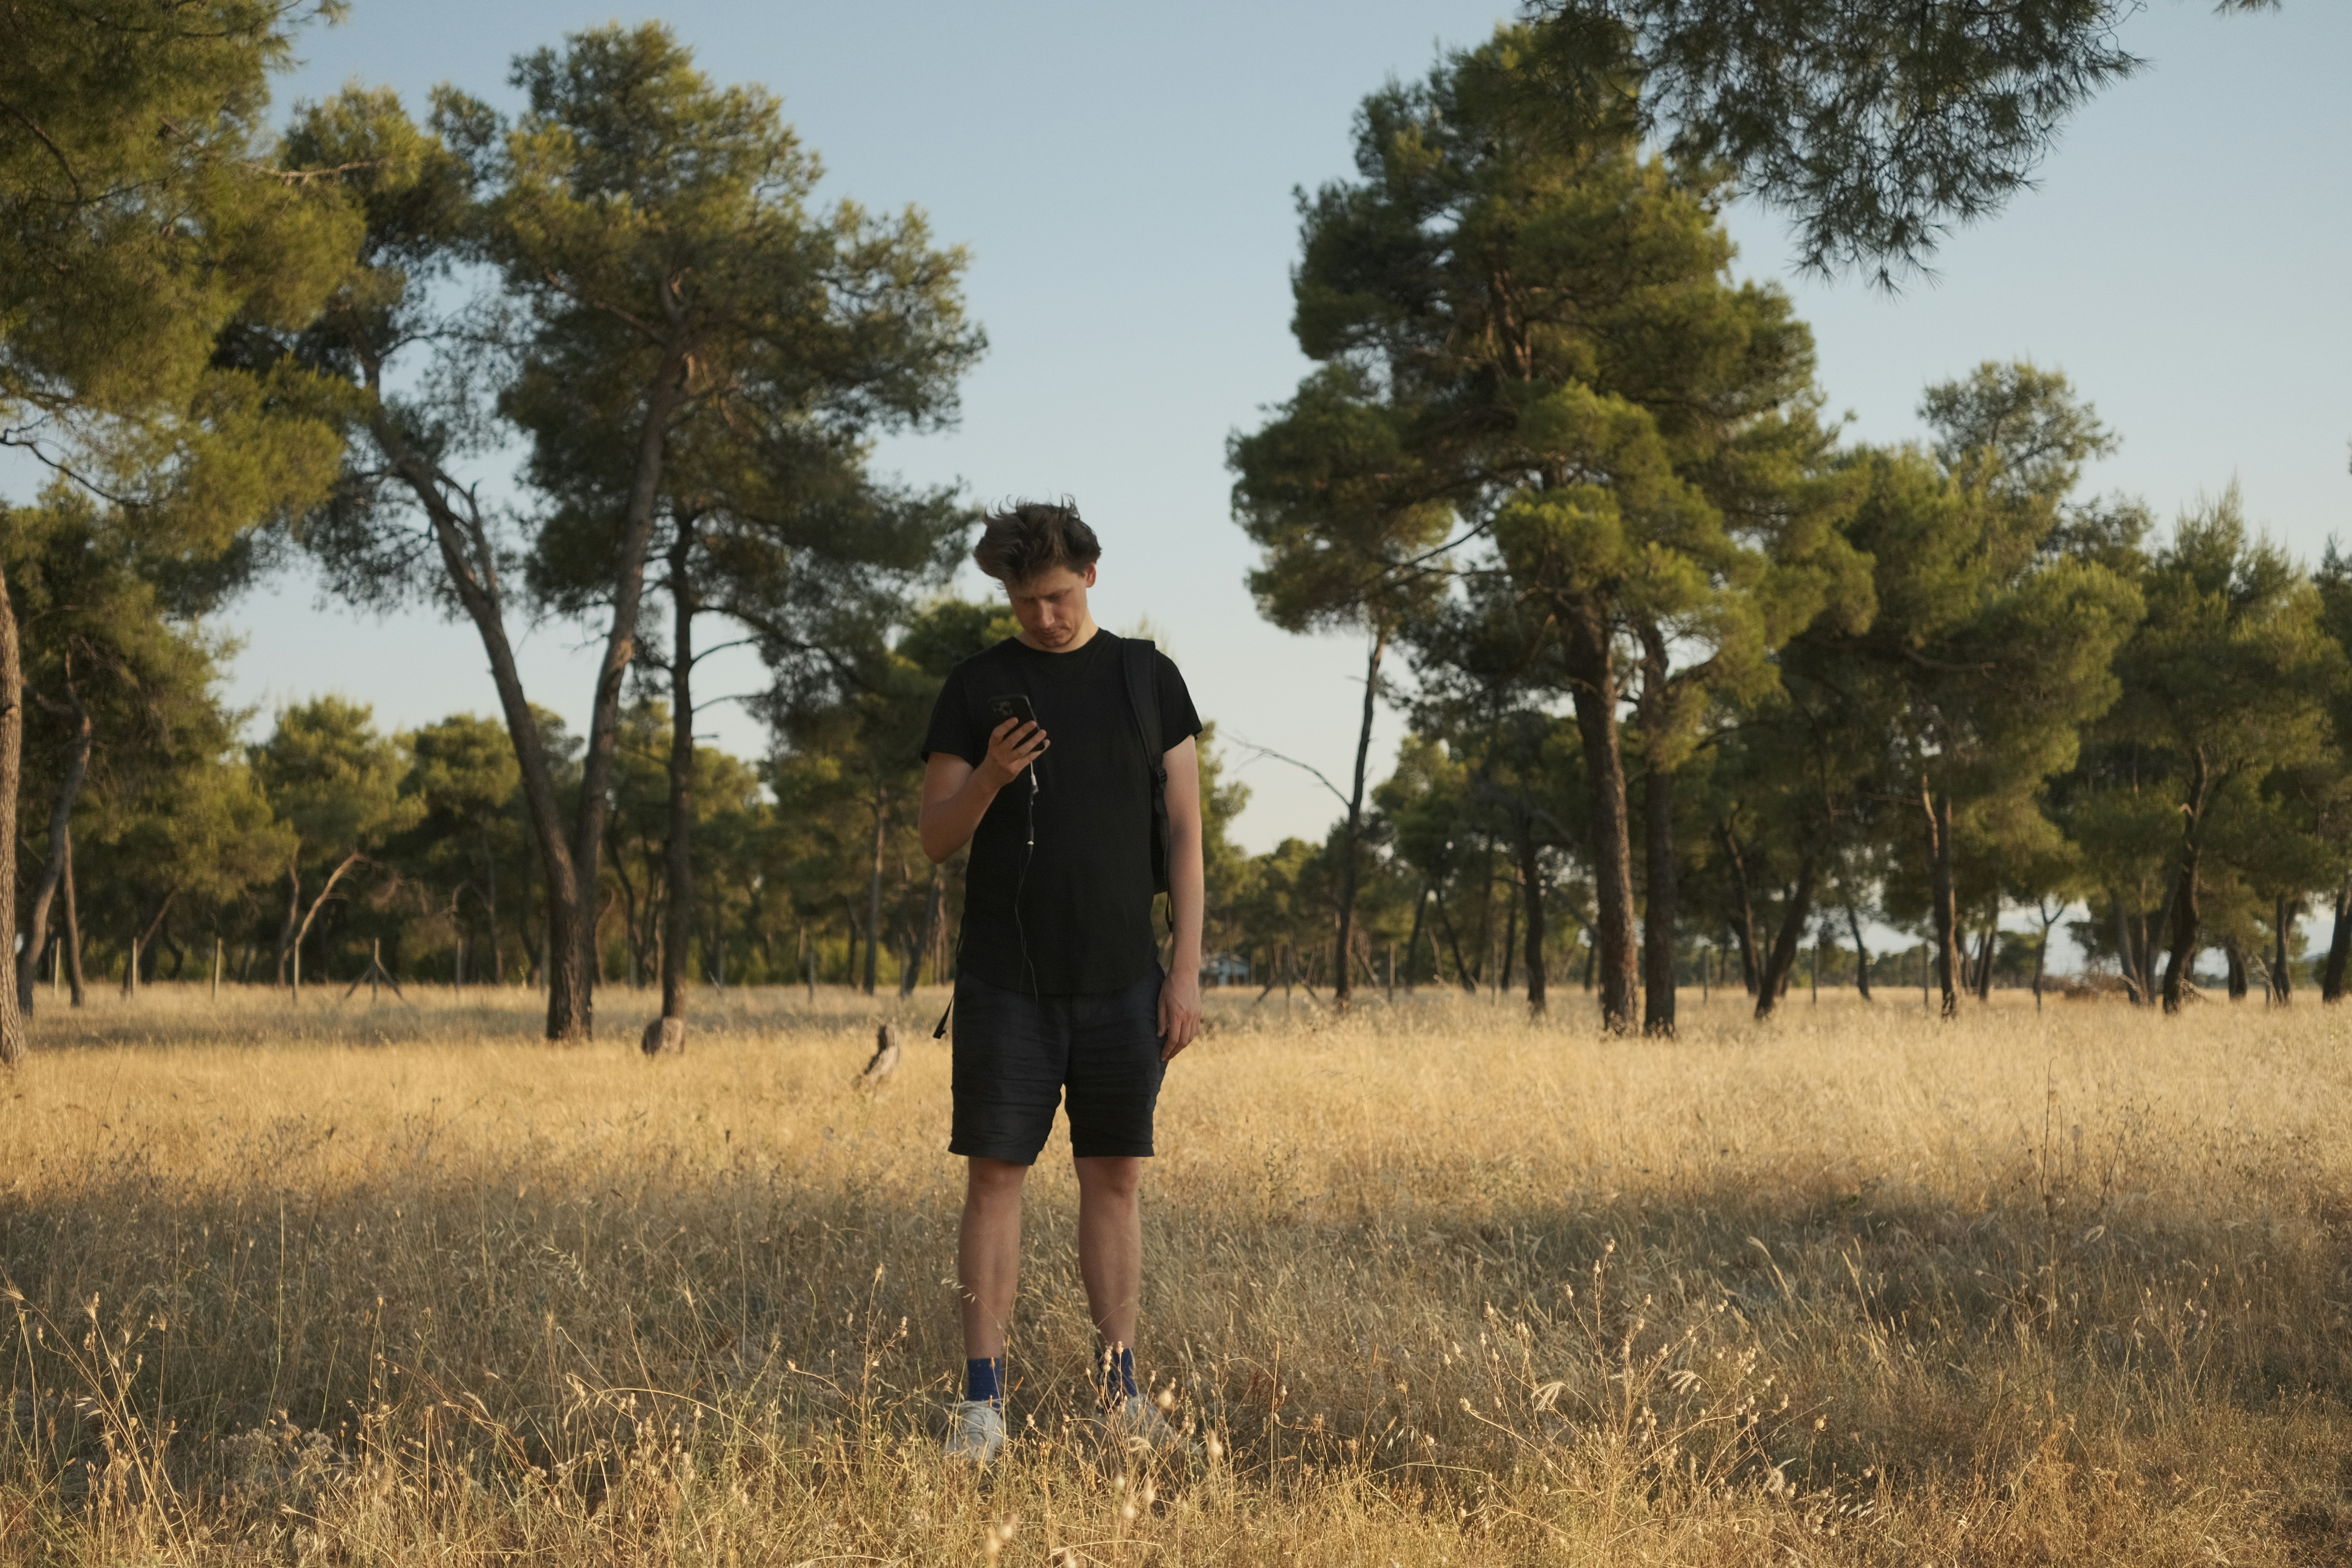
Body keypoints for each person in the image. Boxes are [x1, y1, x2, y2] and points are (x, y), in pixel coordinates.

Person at [918, 500, 1205, 1462]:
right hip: (1006, 983)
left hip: (1125, 981)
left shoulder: (1147, 678)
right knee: (994, 1180)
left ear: (1091, 573)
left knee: (1114, 1180)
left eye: (1055, 596)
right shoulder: (976, 686)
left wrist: (1185, 973)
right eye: (1022, 601)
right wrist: (990, 778)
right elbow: (935, 837)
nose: (1041, 617)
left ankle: (1121, 1396)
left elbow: (1185, 834)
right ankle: (982, 1408)